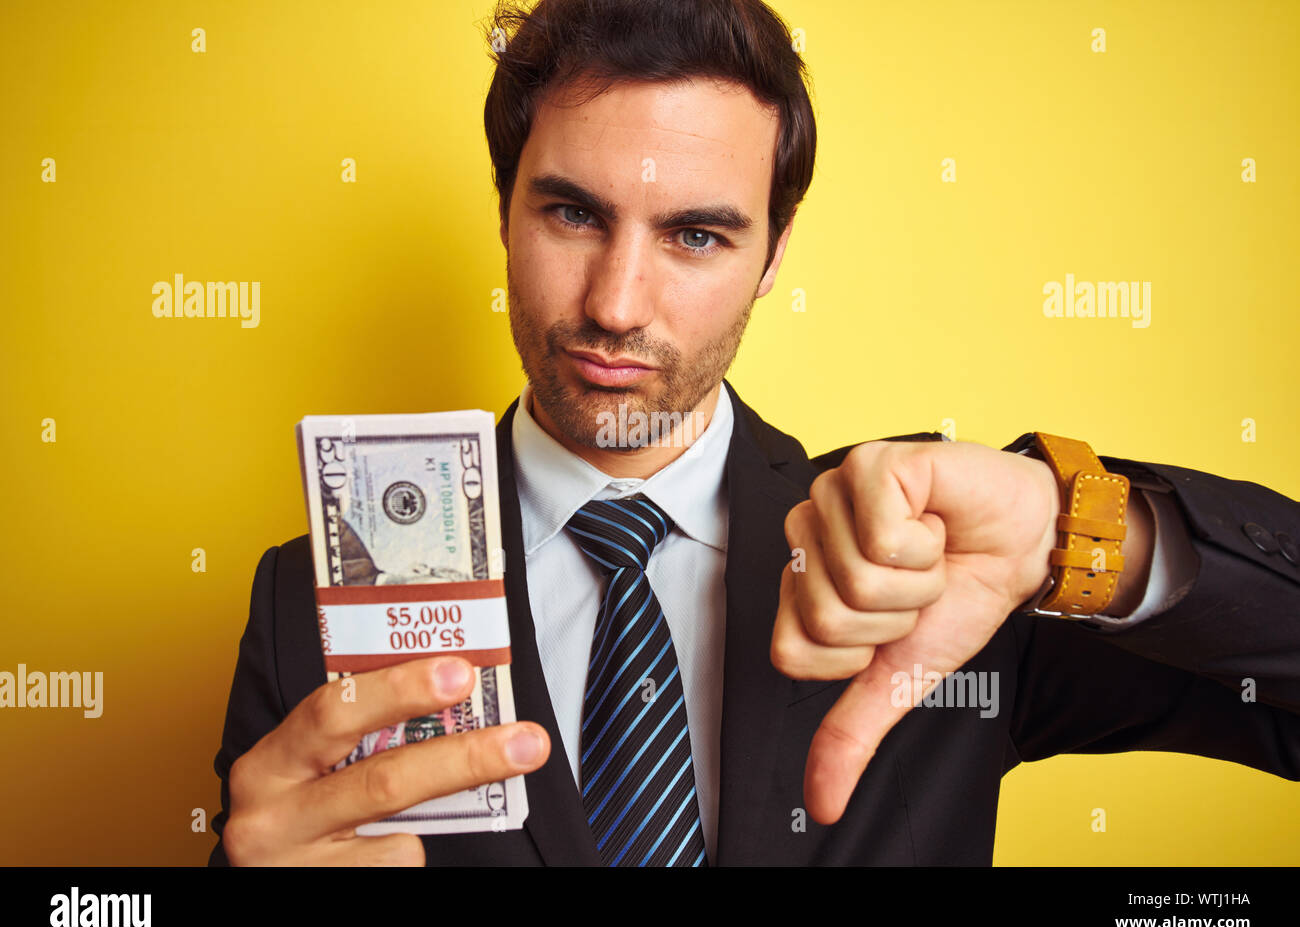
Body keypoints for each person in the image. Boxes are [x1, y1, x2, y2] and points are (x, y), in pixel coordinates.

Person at [208, 0, 1300, 866]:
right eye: (573, 213)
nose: (617, 304)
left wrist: (1080, 528)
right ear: (504, 210)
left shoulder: (935, 566)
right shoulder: (306, 608)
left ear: (773, 255)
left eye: (694, 234)